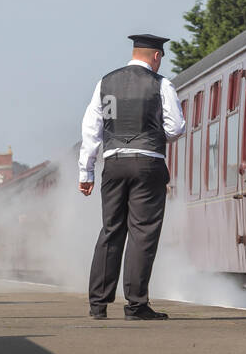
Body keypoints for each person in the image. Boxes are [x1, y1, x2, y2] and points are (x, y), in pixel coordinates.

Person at [79, 33, 186, 320]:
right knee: (142, 233)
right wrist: (151, 136)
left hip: (113, 163)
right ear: (156, 56)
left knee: (111, 230)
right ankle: (136, 306)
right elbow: (175, 128)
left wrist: (86, 171)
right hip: (148, 164)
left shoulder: (105, 82)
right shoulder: (161, 84)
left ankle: (98, 305)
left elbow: (92, 129)